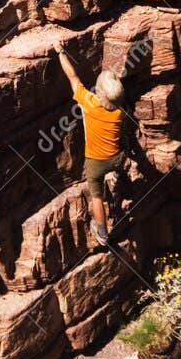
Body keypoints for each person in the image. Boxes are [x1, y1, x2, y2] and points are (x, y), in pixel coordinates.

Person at [54, 41, 125, 246]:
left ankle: (102, 233)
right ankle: (119, 180)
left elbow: (73, 77)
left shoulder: (90, 103)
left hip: (96, 161)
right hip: (117, 157)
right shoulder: (119, 112)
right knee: (116, 167)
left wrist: (60, 52)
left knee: (97, 196)